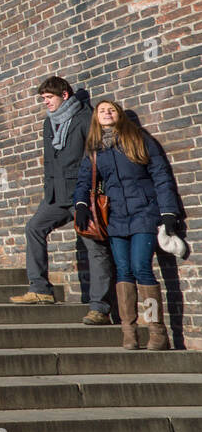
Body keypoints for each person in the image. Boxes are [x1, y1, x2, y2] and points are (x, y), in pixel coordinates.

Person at [74, 99, 182, 350]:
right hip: (116, 217)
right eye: (101, 111)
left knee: (141, 268)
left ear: (119, 114)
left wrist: (168, 212)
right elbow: (83, 183)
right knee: (123, 271)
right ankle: (129, 332)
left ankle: (157, 332)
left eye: (111, 109)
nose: (107, 113)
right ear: (96, 119)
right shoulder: (95, 149)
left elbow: (161, 174)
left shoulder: (138, 138)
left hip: (144, 212)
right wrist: (80, 205)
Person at [10, 76, 114, 324]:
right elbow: (49, 160)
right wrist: (49, 189)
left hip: (83, 194)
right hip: (56, 194)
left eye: (49, 98)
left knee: (95, 247)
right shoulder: (50, 123)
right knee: (34, 227)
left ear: (64, 95)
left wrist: (88, 195)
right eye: (43, 99)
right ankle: (41, 289)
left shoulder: (84, 118)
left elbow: (94, 156)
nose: (46, 102)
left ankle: (99, 307)